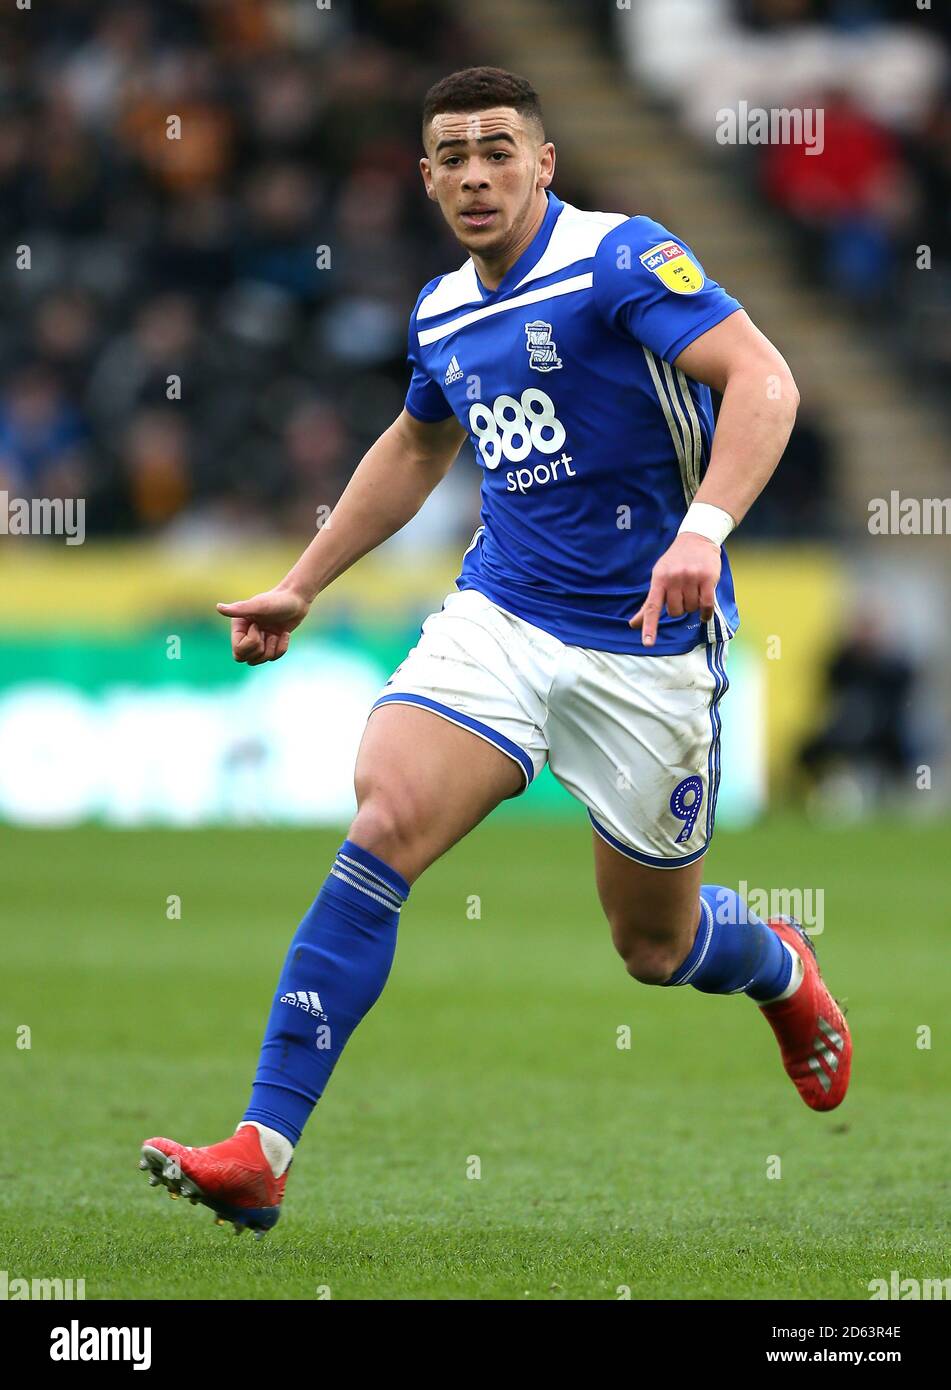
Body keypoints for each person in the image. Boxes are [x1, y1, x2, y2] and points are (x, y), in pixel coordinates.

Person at [141, 67, 851, 1236]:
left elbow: (765, 380)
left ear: (545, 160)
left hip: (647, 649)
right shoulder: (439, 310)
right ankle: (262, 1149)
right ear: (425, 177)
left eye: (498, 150)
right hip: (503, 618)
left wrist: (702, 529)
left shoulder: (621, 260)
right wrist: (304, 581)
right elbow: (417, 450)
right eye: (452, 156)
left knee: (653, 947)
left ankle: (775, 965)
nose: (476, 174)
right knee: (383, 820)